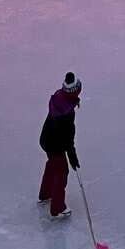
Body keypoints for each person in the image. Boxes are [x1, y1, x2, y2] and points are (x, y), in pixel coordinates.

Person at [38, 72, 81, 219]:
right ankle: (57, 208)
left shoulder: (59, 97)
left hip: (46, 139)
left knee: (52, 165)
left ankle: (45, 194)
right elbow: (68, 139)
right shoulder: (67, 113)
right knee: (61, 171)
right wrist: (73, 158)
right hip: (55, 144)